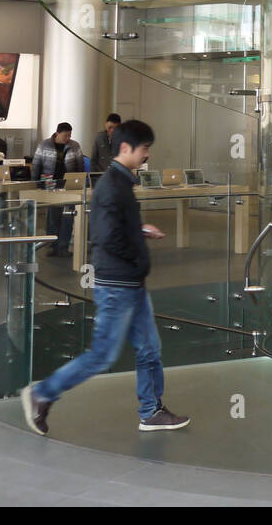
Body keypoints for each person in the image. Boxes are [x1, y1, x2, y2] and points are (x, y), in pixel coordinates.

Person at [22, 120, 188, 435]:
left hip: (130, 282)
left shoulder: (120, 183)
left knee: (149, 348)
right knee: (102, 355)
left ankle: (151, 411)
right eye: (144, 149)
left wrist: (139, 231)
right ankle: (42, 393)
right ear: (126, 148)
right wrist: (136, 253)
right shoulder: (113, 185)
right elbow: (105, 236)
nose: (147, 155)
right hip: (117, 284)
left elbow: (114, 227)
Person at [33, 123, 85, 256]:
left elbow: (80, 165)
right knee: (53, 216)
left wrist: (80, 183)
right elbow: (36, 164)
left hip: (69, 185)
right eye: (65, 135)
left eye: (69, 135)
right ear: (57, 133)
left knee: (68, 216)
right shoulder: (44, 145)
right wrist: (36, 184)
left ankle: (63, 247)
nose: (68, 138)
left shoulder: (75, 146)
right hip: (50, 183)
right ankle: (51, 246)